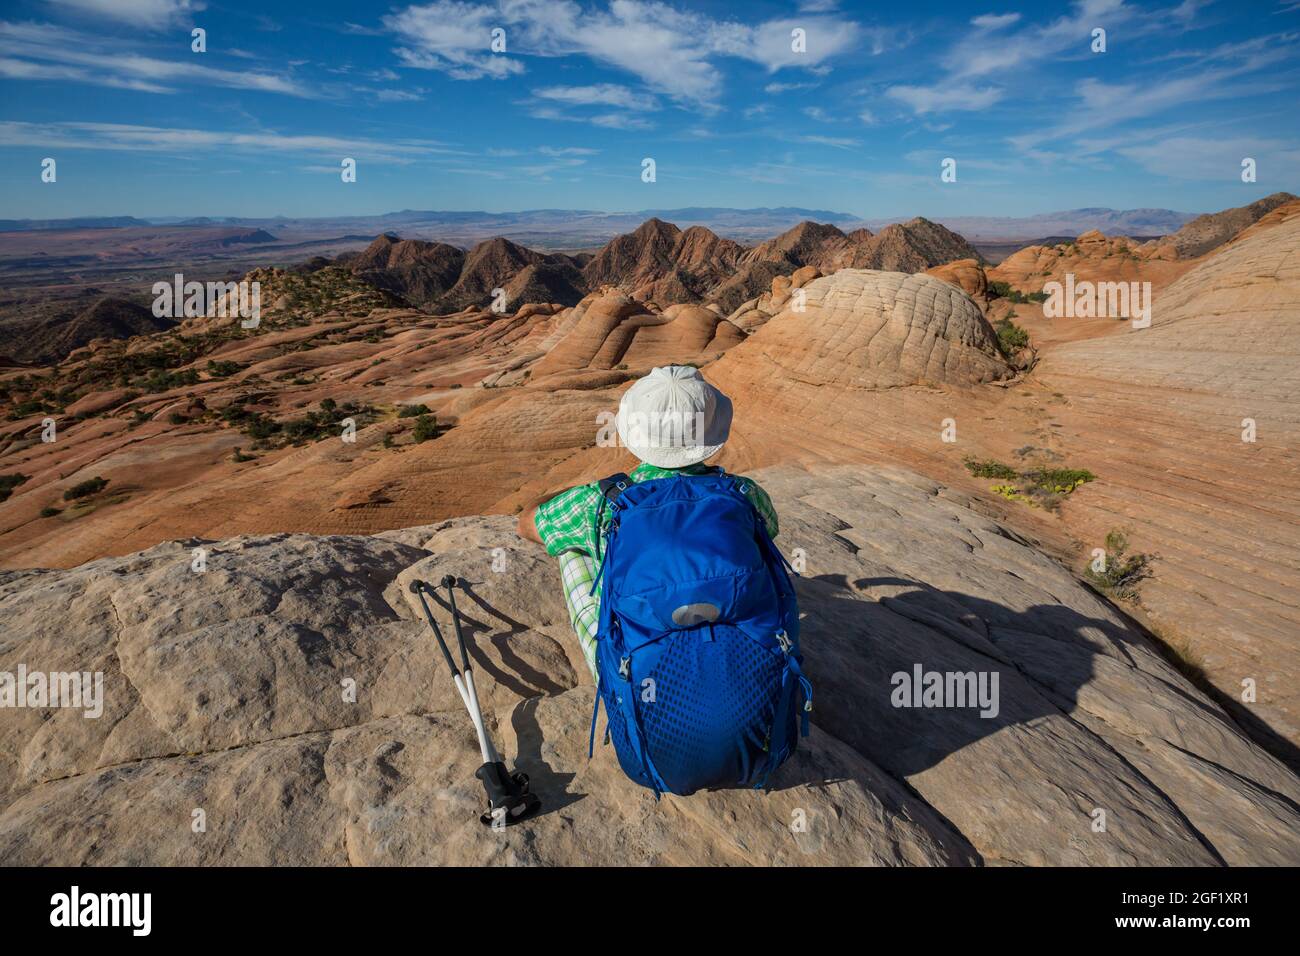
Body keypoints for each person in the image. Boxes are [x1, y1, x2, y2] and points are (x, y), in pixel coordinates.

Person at [516, 365, 779, 681]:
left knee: (571, 547)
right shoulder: (744, 492)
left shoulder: (600, 501)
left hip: (645, 678)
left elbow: (529, 525)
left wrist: (563, 493)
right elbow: (770, 530)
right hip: (745, 669)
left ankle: (614, 674)